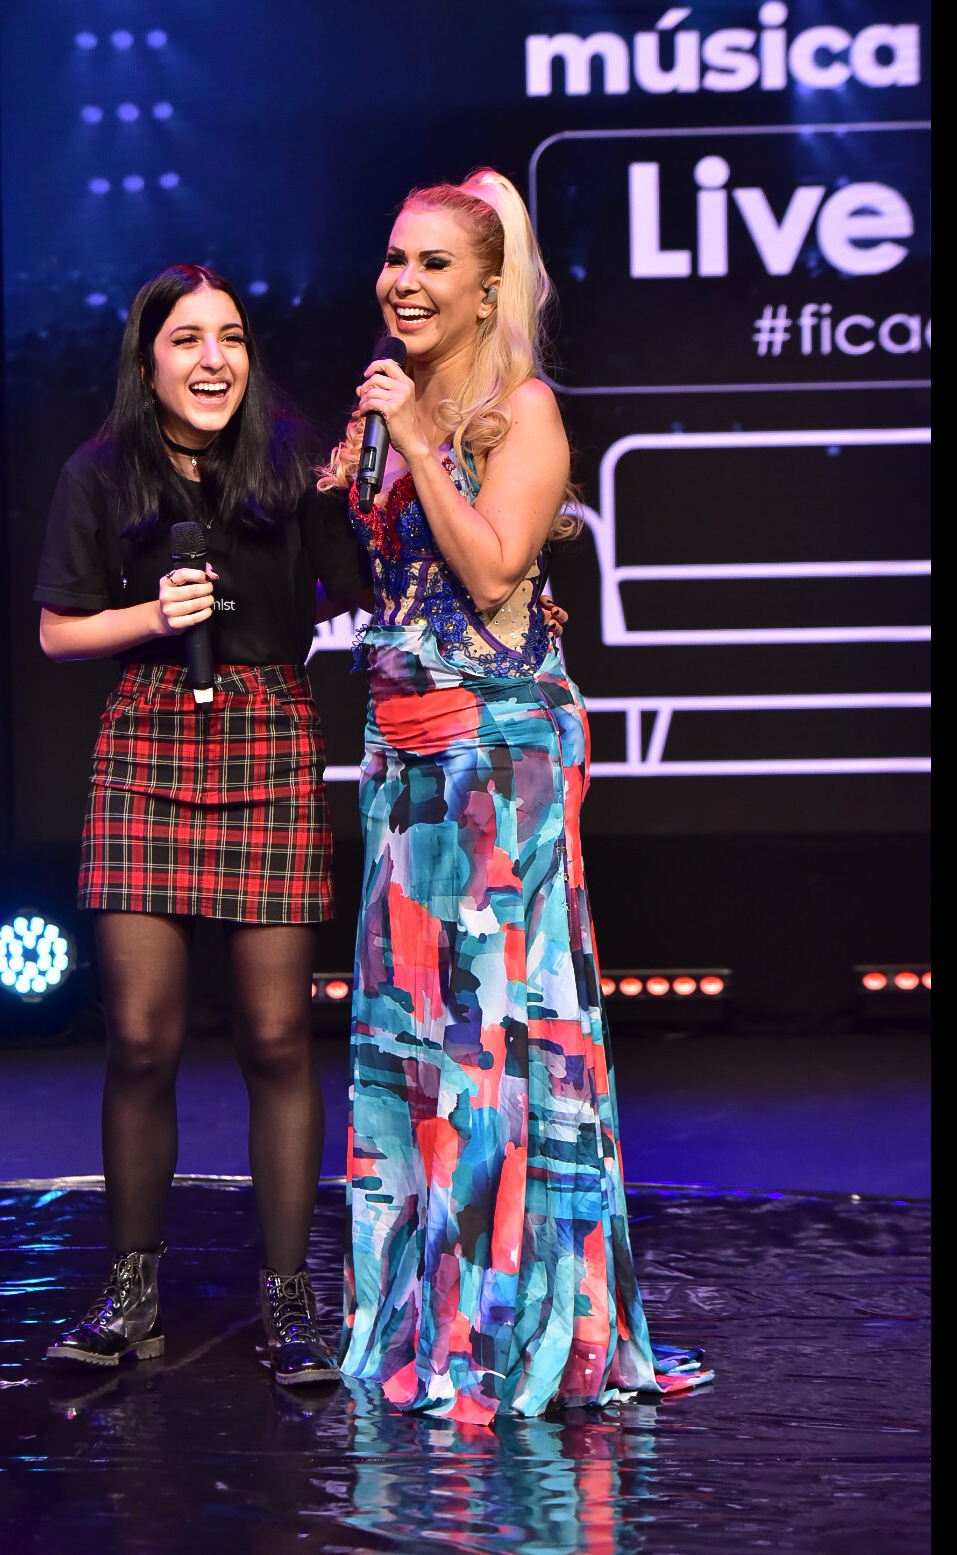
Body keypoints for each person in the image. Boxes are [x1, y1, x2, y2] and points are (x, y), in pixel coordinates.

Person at [324, 171, 713, 1423]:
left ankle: (504, 1334)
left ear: (489, 287)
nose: (404, 282)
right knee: (411, 1054)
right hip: (406, 756)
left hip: (500, 760)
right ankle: (413, 1322)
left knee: (492, 1044)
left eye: (434, 264)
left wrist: (418, 451)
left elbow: (494, 571)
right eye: (395, 258)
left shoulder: (520, 411)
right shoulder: (396, 406)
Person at [34, 263, 372, 1383]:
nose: (213, 359)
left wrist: (361, 492)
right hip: (146, 737)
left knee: (276, 1038)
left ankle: (290, 1304)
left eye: (230, 337)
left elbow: (354, 587)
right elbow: (55, 633)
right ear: (148, 361)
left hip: (271, 735)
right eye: (187, 340)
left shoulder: (290, 453)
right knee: (142, 1040)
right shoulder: (99, 470)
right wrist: (145, 613)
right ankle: (132, 1297)